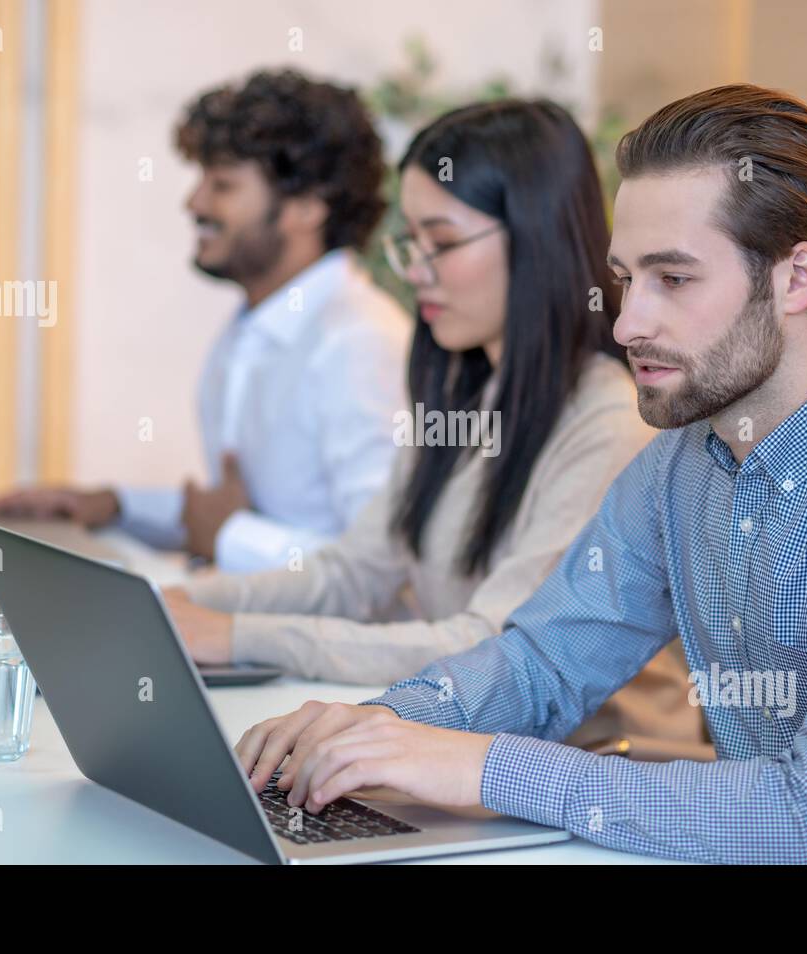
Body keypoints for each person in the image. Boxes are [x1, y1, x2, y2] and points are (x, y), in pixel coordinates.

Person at [230, 84, 807, 864]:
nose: (627, 322)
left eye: (673, 279)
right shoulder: (684, 462)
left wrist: (484, 767)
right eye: (624, 279)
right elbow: (542, 664)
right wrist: (376, 725)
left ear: (797, 277)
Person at [165, 99, 710, 763]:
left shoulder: (609, 422)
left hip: (592, 778)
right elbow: (354, 572)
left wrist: (234, 635)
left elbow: (493, 647)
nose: (415, 271)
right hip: (464, 754)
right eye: (412, 244)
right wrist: (177, 603)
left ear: (534, 238)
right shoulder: (462, 393)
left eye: (443, 244)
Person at [0, 70, 410, 573]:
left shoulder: (358, 342)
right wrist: (112, 507)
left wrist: (233, 536)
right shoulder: (256, 325)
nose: (194, 202)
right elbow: (231, 515)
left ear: (307, 208)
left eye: (222, 184)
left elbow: (385, 572)